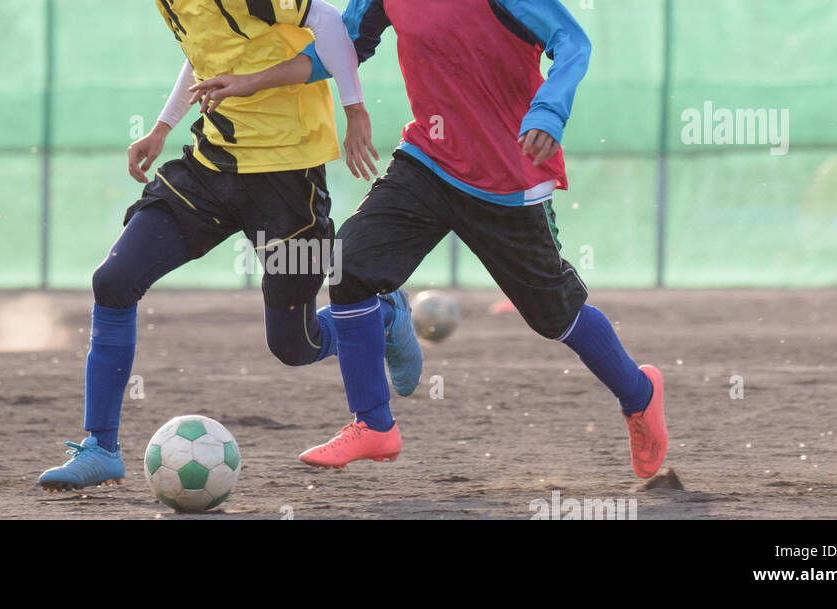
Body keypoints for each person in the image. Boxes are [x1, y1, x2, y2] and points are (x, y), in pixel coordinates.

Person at [37, 0, 423, 491]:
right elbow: (209, 49)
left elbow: (325, 21)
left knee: (293, 345)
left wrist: (355, 111)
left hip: (288, 179)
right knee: (113, 281)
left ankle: (384, 315)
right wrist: (162, 127)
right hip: (210, 169)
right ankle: (101, 448)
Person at [273, 0, 668, 477]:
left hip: (506, 174)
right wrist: (254, 78)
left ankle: (640, 396)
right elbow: (346, 46)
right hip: (428, 159)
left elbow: (573, 44)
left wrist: (547, 111)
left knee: (554, 316)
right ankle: (374, 424)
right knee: (350, 267)